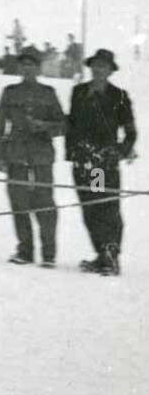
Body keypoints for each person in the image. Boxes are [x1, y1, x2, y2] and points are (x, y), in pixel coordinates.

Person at [0, 47, 65, 267]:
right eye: (23, 64)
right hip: (16, 156)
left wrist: (45, 127)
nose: (27, 68)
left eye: (31, 64)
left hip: (41, 157)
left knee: (45, 205)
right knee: (18, 203)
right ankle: (25, 250)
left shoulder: (48, 93)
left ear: (38, 67)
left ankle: (49, 254)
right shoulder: (10, 92)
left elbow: (63, 125)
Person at [67, 49, 137, 276]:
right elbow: (72, 125)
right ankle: (101, 255)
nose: (99, 69)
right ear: (91, 67)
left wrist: (119, 152)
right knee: (88, 208)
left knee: (105, 206)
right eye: (96, 65)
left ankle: (110, 256)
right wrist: (73, 154)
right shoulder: (79, 92)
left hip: (101, 165)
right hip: (82, 162)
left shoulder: (119, 96)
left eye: (103, 66)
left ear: (110, 71)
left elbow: (130, 132)